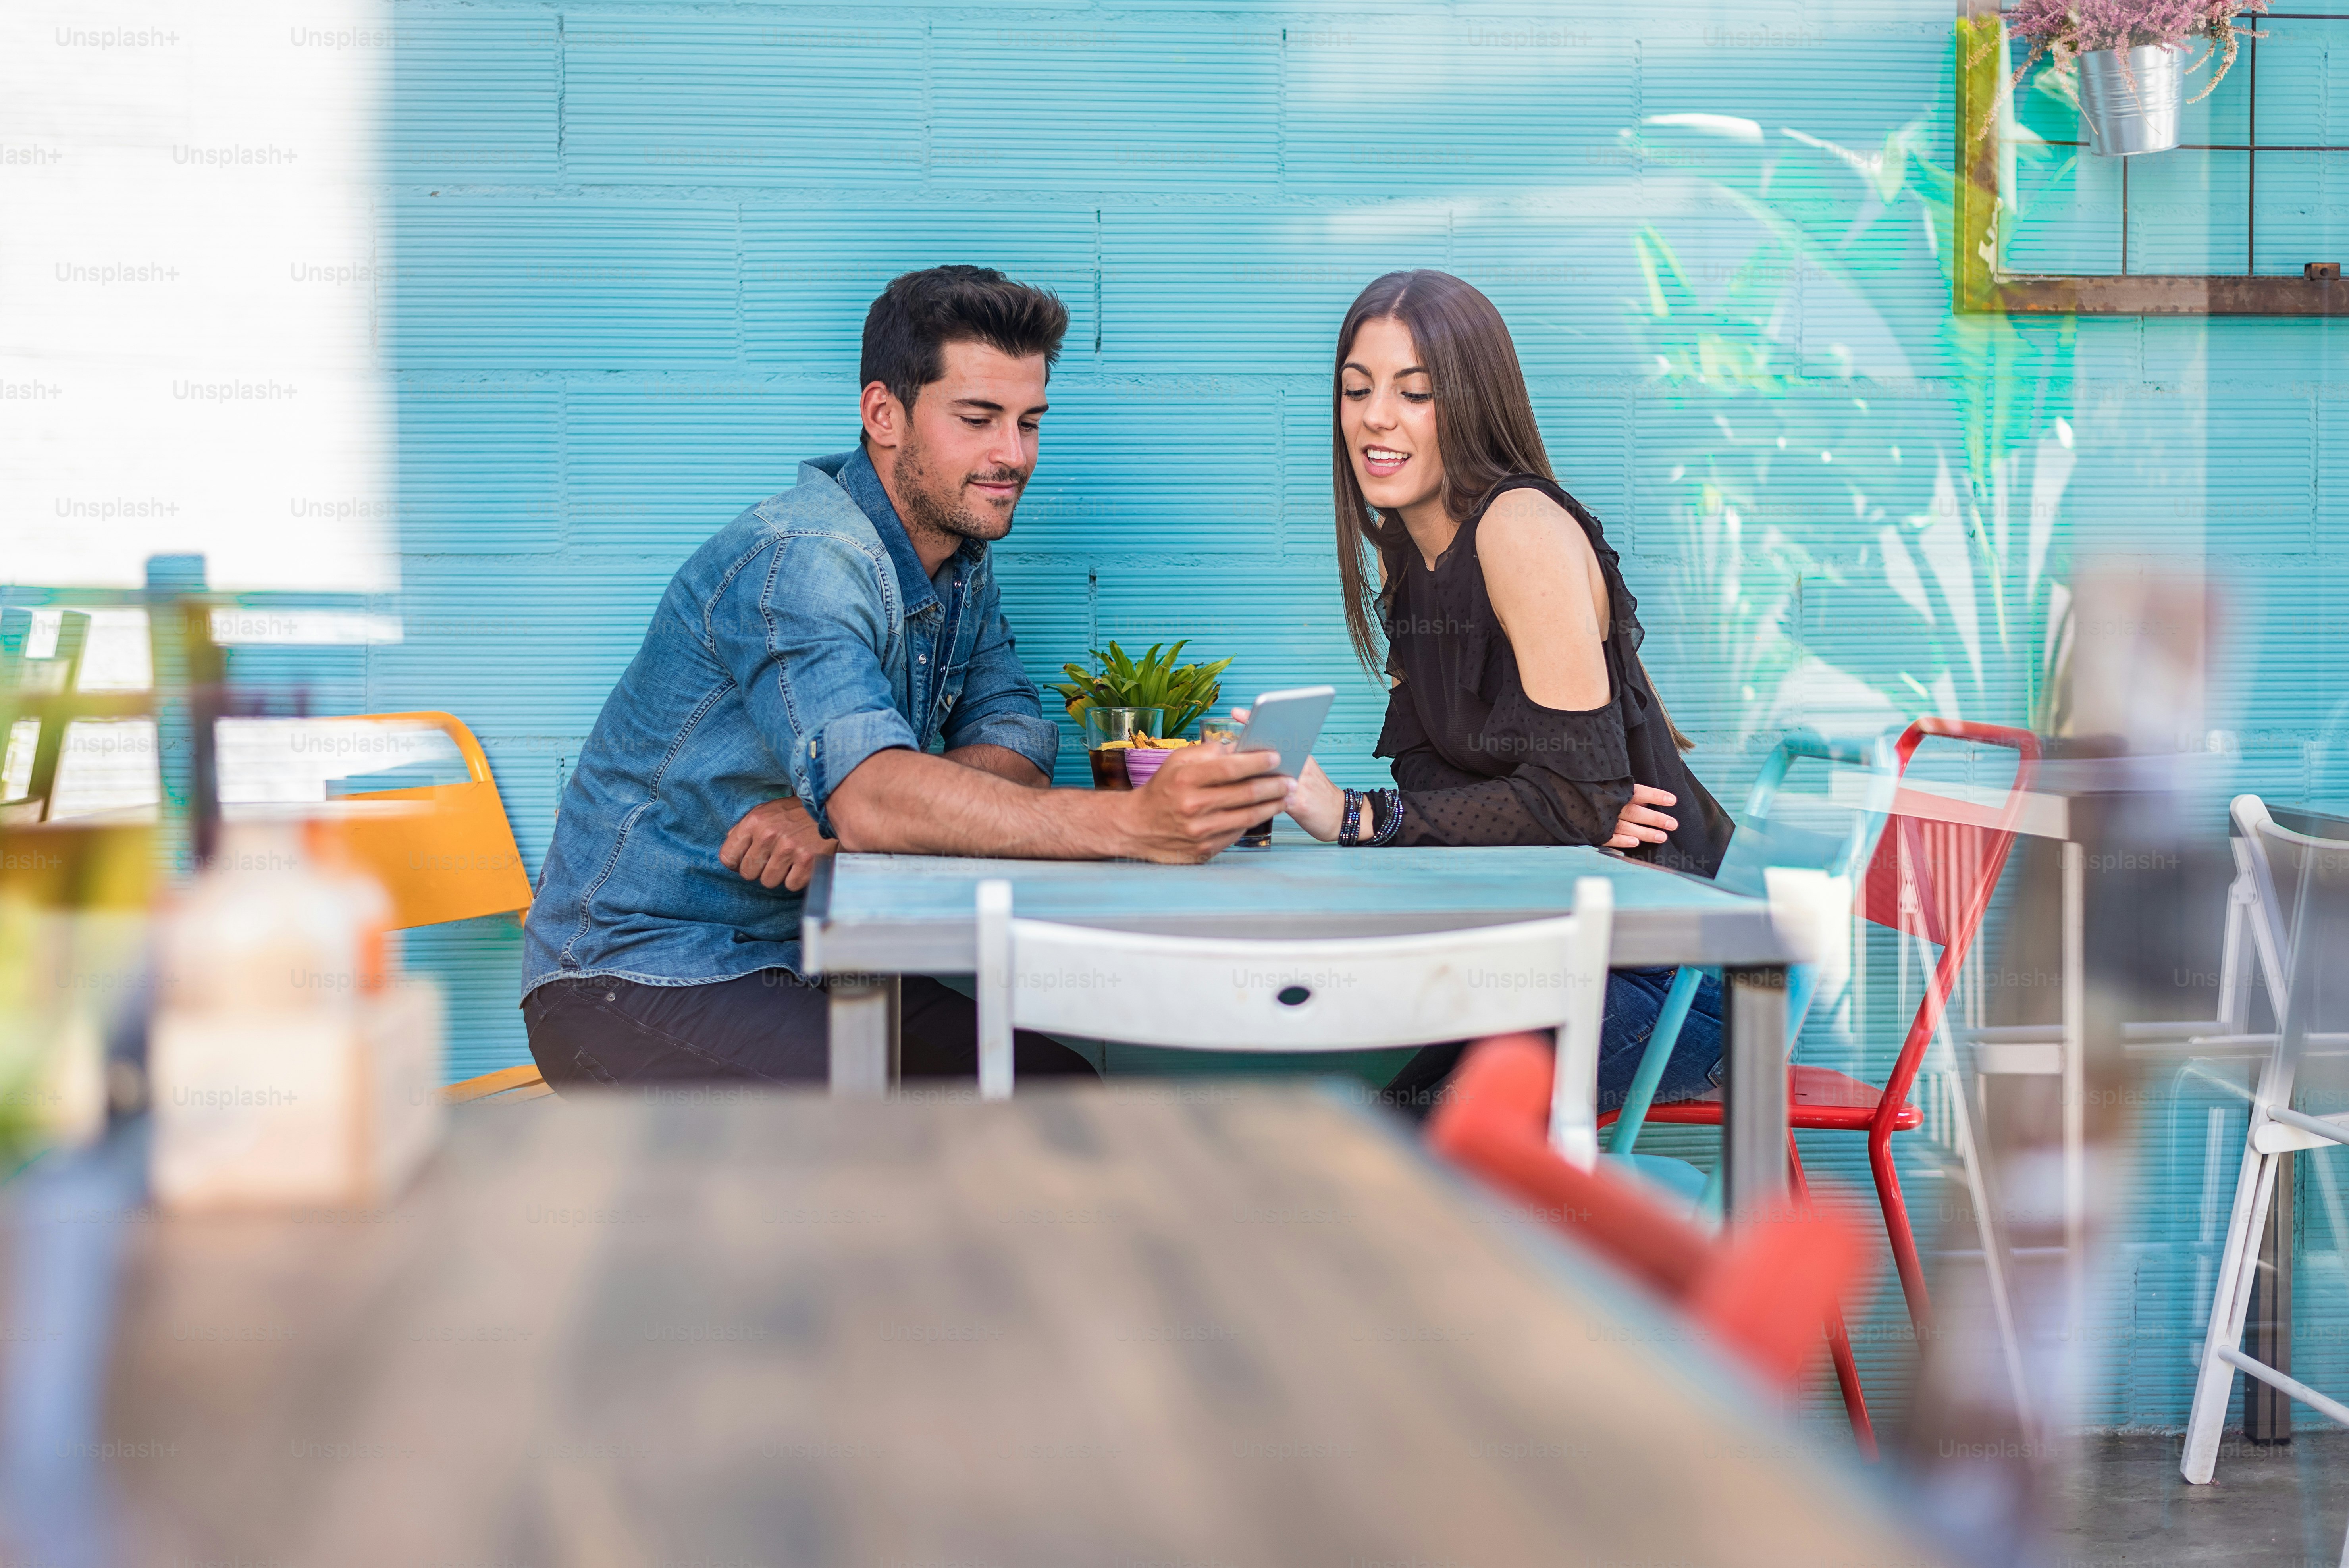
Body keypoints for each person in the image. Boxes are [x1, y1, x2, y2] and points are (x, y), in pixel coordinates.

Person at [521, 265, 1287, 1088]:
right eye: (978, 419)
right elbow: (873, 799)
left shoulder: (957, 559)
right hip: (638, 972)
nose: (1013, 455)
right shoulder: (805, 560)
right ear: (883, 414)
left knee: (1053, 1087)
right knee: (890, 1128)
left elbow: (1017, 742)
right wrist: (1132, 824)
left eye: (1029, 422)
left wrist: (849, 813)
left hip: (823, 955)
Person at [1278, 269, 1737, 1119]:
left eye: (1415, 393)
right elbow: (1438, 779)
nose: (1376, 417)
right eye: (1357, 389)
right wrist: (1549, 813)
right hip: (1562, 951)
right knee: (1381, 1126)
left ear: (1473, 404)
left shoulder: (1517, 526)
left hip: (1680, 979)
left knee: (1410, 1143)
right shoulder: (1410, 551)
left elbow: (1574, 797)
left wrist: (1354, 815)